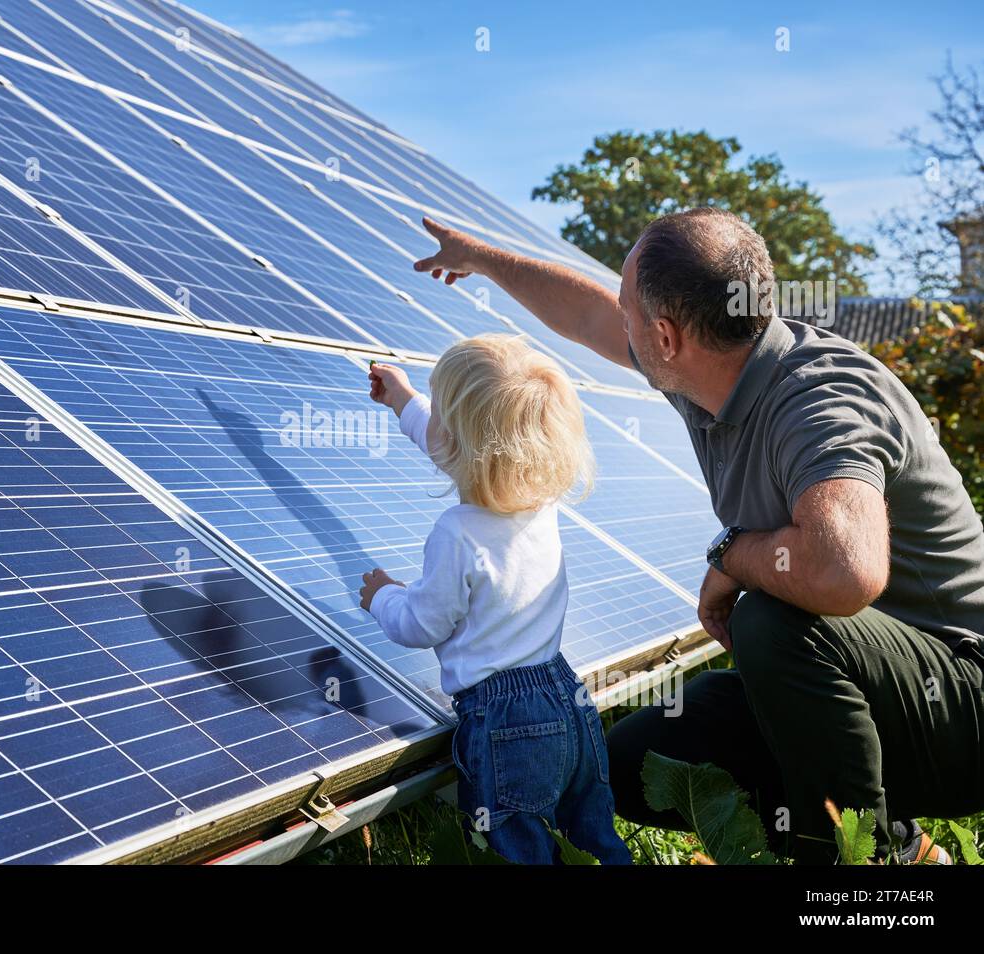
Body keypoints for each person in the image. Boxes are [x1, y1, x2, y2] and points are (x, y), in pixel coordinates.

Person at [411, 207, 984, 864]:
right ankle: (906, 851)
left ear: (666, 335)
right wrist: (481, 258)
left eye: (631, 313)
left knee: (774, 625)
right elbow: (589, 315)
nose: (619, 324)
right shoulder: (712, 363)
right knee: (637, 763)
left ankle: (862, 876)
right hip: (872, 693)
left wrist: (733, 556)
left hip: (962, 707)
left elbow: (844, 573)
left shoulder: (818, 402)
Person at [358, 335, 631, 865]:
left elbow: (422, 624)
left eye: (439, 413)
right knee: (592, 839)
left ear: (461, 445)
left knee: (517, 851)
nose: (431, 422)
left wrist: (383, 596)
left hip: (505, 721)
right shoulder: (538, 498)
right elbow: (455, 443)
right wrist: (403, 400)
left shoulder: (457, 532)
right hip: (566, 695)